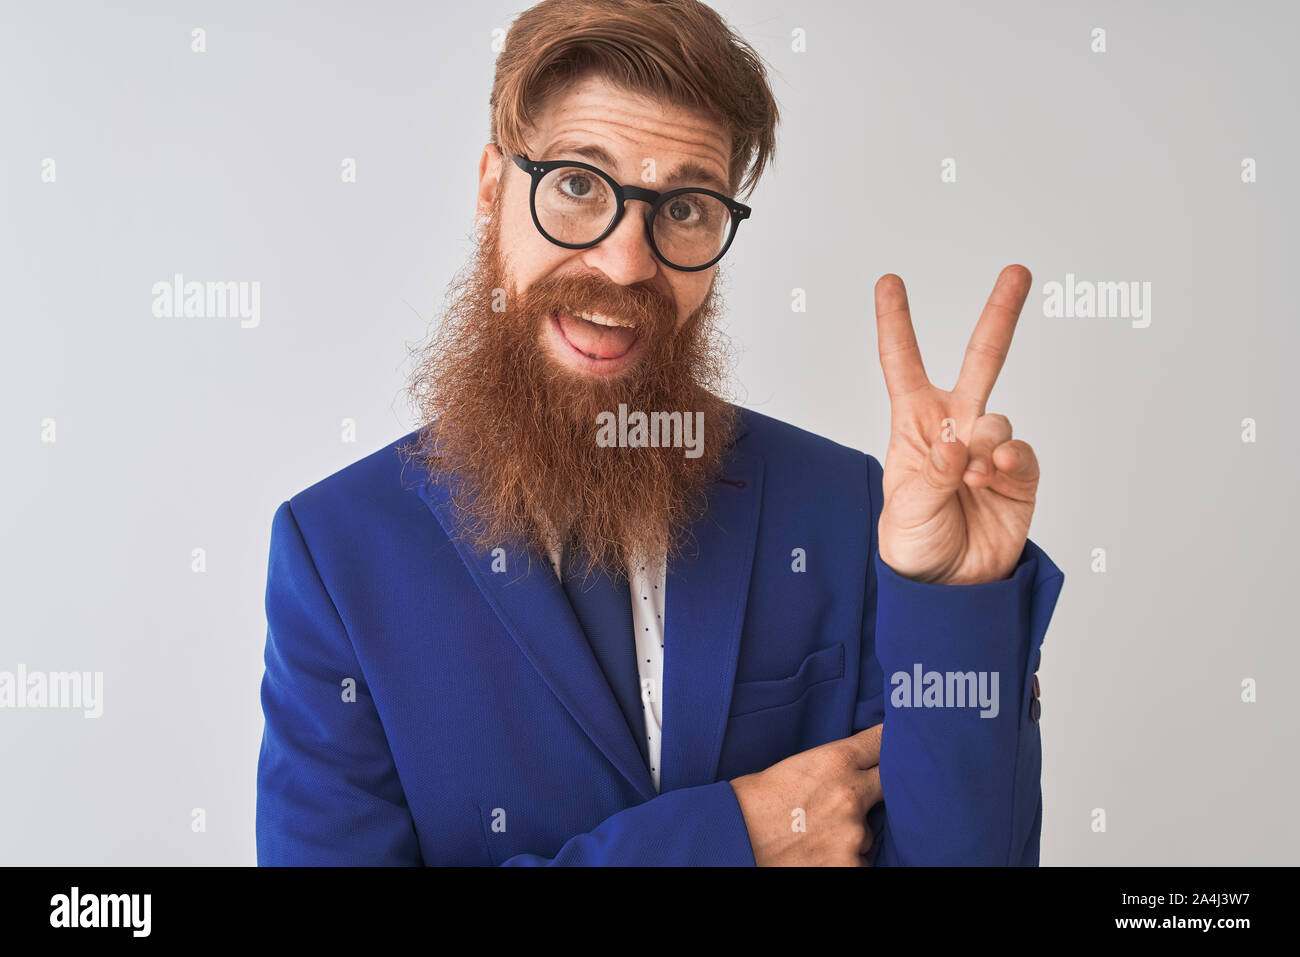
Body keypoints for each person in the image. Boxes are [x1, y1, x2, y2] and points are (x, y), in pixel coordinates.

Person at [256, 0, 1064, 866]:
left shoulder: (849, 506)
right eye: (577, 186)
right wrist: (730, 841)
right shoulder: (338, 556)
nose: (626, 263)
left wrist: (954, 602)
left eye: (684, 208)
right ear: (493, 189)